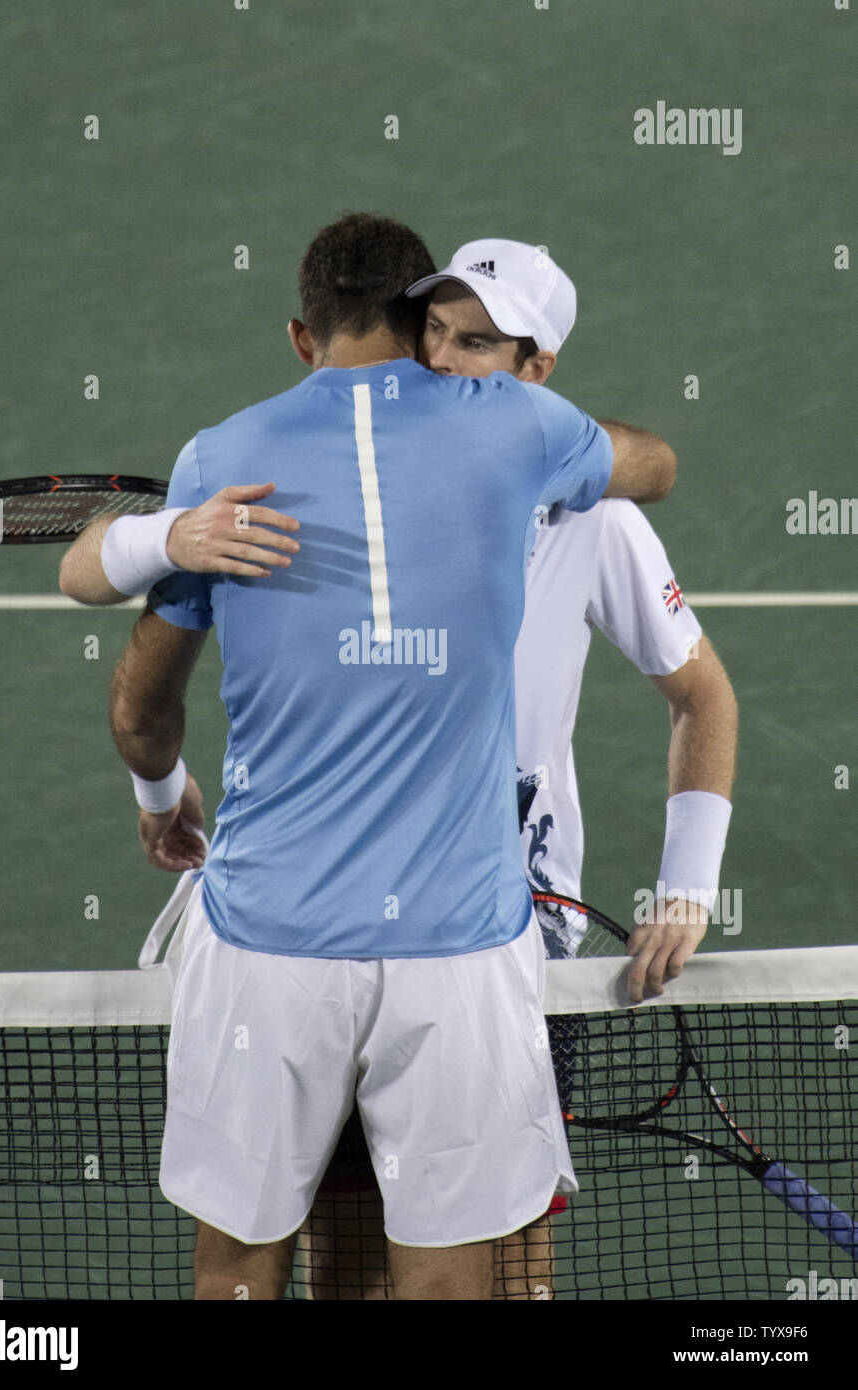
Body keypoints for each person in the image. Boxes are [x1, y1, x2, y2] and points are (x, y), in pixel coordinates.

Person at [64, 212, 676, 1300]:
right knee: (447, 1277)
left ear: (302, 337)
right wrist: (573, 430)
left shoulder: (219, 462)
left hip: (266, 937)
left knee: (239, 1269)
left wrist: (164, 796)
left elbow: (141, 704)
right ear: (418, 322)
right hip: (458, 945)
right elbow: (653, 464)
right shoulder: (521, 425)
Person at [299, 239, 738, 1299]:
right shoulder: (361, 481)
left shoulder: (597, 523)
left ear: (536, 370)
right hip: (355, 924)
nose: (444, 360)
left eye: (478, 342)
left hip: (519, 939)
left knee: (515, 1258)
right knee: (348, 1246)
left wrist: (686, 884)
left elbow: (703, 696)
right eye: (434, 332)